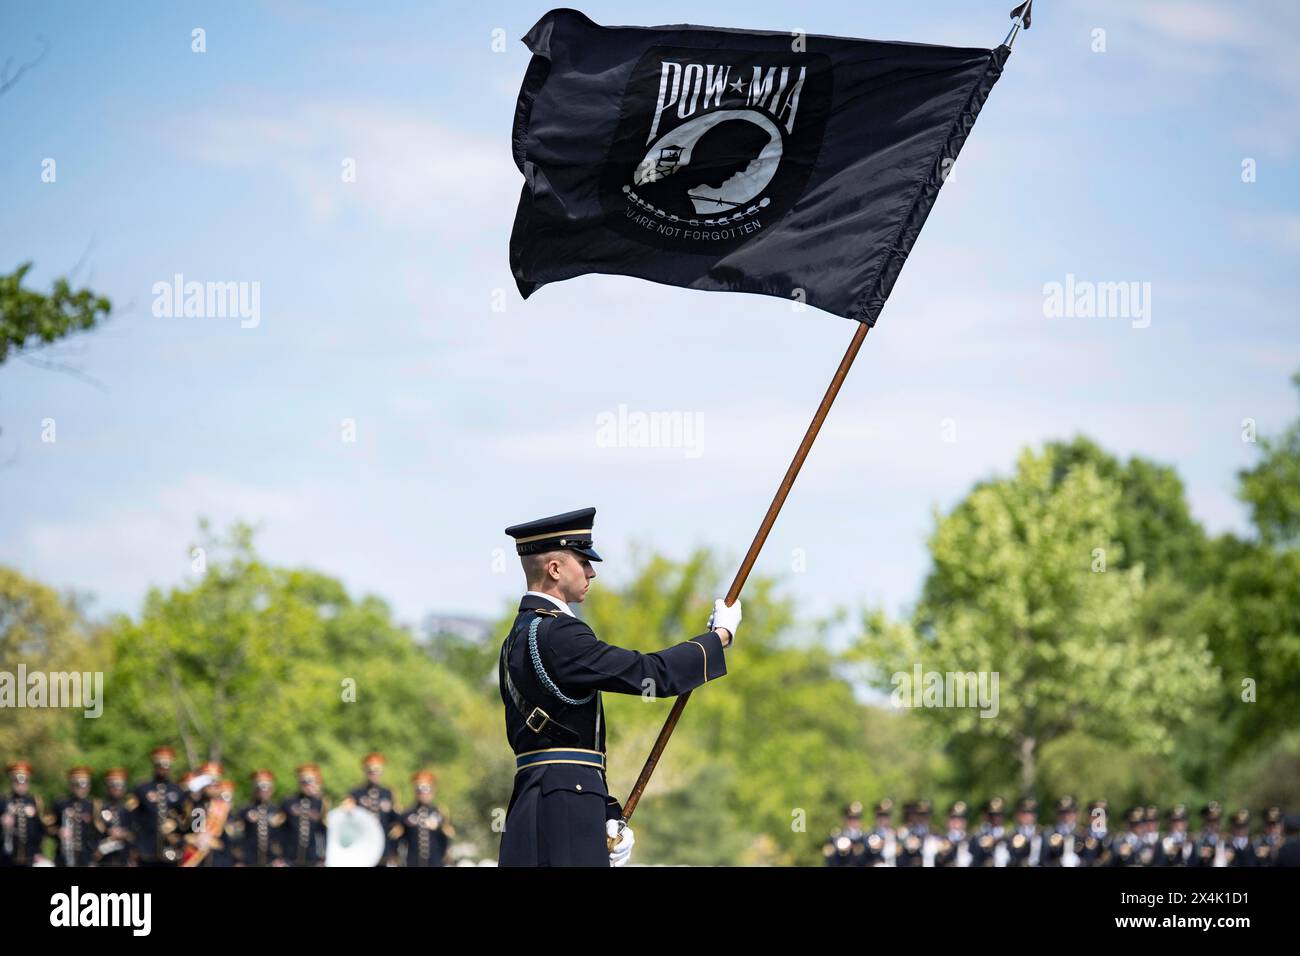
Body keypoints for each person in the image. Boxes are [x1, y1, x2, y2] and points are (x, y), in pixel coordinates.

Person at [497, 507, 739, 867]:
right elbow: (650, 675)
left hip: (534, 800)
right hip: (566, 805)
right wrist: (719, 638)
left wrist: (604, 810)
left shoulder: (514, 638)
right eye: (583, 561)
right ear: (555, 569)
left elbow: (561, 740)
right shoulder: (560, 633)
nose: (592, 571)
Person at [132, 746, 184, 866]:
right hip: (146, 850)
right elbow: (131, 817)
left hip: (171, 850)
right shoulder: (142, 789)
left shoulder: (178, 790)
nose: (164, 769)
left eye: (167, 766)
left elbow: (187, 817)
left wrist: (176, 825)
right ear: (155, 765)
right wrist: (134, 845)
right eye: (160, 765)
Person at [346, 753, 398, 865]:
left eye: (377, 771)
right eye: (370, 771)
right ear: (365, 771)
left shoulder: (388, 793)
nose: (374, 774)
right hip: (361, 846)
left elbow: (395, 820)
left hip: (383, 849)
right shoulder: (356, 793)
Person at [395, 771, 453, 867]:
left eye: (427, 790)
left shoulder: (440, 813)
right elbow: (400, 839)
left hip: (435, 862)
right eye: (419, 790)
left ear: (432, 790)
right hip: (413, 862)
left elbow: (446, 839)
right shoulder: (406, 814)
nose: (423, 794)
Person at [235, 769, 285, 866]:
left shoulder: (279, 810)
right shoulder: (244, 810)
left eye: (267, 788)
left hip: (273, 860)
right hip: (249, 860)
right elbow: (236, 836)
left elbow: (286, 835)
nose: (263, 792)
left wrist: (281, 857)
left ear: (271, 790)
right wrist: (238, 859)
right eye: (259, 788)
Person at [1, 761, 47, 867]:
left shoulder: (35, 801)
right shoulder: (3, 801)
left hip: (30, 857)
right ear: (12, 782)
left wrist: (39, 851)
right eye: (17, 782)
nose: (20, 785)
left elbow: (42, 829)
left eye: (24, 782)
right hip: (5, 857)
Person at [49, 766, 97, 866]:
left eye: (85, 785)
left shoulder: (93, 806)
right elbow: (48, 828)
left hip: (86, 857)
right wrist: (59, 832)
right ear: (71, 786)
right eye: (78, 785)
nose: (82, 789)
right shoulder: (60, 804)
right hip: (63, 857)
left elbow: (98, 832)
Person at [284, 764, 327, 866]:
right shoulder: (289, 802)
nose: (308, 785)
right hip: (290, 858)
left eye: (310, 781)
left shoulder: (321, 803)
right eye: (304, 781)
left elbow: (324, 831)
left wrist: (323, 856)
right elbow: (279, 830)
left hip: (313, 858)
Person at [95, 769, 135, 867]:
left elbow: (136, 832)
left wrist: (124, 834)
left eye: (120, 786)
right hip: (103, 859)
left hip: (124, 858)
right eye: (113, 785)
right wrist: (106, 831)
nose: (117, 789)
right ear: (107, 787)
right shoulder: (98, 807)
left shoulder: (128, 809)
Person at [823, 801, 868, 866]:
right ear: (844, 819)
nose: (853, 821)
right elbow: (828, 855)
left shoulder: (864, 837)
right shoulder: (836, 836)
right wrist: (838, 850)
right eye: (850, 818)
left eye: (856, 818)